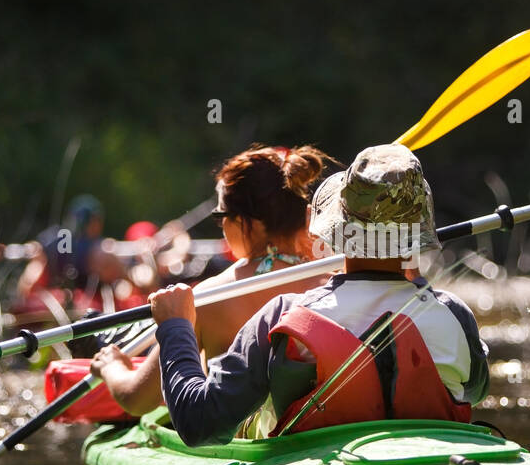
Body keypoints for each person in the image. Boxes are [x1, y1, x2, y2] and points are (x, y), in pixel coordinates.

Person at [128, 144, 490, 447]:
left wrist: (175, 327)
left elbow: (197, 423)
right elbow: (474, 391)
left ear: (337, 230)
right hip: (433, 459)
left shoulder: (284, 317)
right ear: (416, 236)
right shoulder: (455, 314)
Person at [90, 145, 335, 416]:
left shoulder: (209, 296)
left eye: (221, 217)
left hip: (241, 443)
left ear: (247, 223)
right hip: (314, 427)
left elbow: (136, 399)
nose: (222, 228)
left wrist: (111, 366)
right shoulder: (332, 282)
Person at [15, 195, 153, 307]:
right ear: (94, 221)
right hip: (83, 310)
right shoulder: (101, 252)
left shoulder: (53, 240)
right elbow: (130, 285)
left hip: (54, 305)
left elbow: (28, 286)